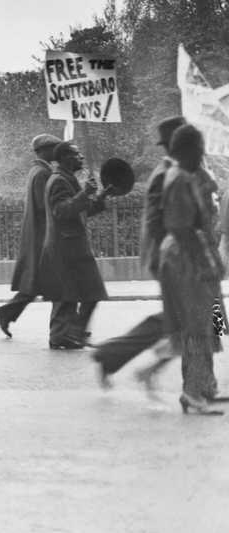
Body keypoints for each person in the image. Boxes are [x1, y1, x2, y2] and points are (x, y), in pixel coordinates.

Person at [93, 117, 186, 389]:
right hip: (176, 260)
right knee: (192, 318)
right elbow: (160, 223)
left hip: (186, 259)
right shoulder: (168, 174)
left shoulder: (178, 170)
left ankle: (143, 366)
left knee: (201, 320)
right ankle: (193, 385)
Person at [158, 125, 225, 415]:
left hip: (193, 256)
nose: (202, 153)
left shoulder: (188, 175)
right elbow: (181, 227)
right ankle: (193, 392)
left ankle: (205, 386)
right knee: (197, 326)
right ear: (187, 149)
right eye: (199, 148)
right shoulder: (179, 179)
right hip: (186, 260)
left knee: (211, 322)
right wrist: (205, 261)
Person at [38, 141, 107, 349]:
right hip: (64, 248)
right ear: (65, 158)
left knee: (84, 293)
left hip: (73, 246)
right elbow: (61, 211)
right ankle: (62, 335)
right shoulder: (58, 180)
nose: (81, 158)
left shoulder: (67, 179)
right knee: (68, 295)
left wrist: (101, 196)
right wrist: (84, 193)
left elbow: (80, 211)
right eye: (77, 154)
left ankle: (70, 333)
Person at [0, 134, 61, 338]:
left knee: (36, 282)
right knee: (58, 282)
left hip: (39, 233)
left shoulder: (38, 170)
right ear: (43, 151)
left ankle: (8, 312)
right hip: (43, 234)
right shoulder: (42, 173)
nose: (56, 151)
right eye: (53, 148)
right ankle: (66, 326)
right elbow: (44, 205)